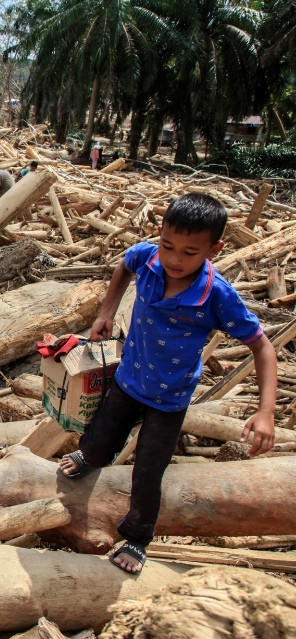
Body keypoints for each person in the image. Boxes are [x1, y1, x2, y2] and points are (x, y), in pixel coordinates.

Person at [58, 192, 277, 574]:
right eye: (168, 245)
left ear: (215, 249)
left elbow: (262, 347)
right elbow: (123, 267)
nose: (175, 259)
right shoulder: (148, 257)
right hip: (128, 378)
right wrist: (106, 312)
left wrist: (265, 412)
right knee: (100, 438)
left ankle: (138, 537)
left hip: (169, 400)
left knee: (148, 469)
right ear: (159, 234)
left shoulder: (216, 295)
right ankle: (90, 459)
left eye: (190, 252)